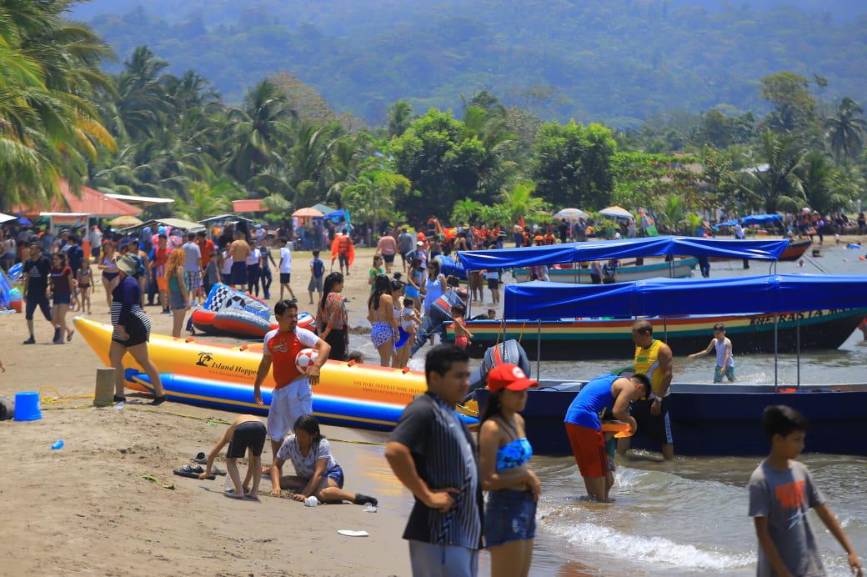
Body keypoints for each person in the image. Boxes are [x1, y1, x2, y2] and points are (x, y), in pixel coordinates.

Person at [384, 345, 482, 577]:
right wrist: (427, 495)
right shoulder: (423, 409)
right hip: (440, 532)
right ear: (435, 378)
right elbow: (395, 450)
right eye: (458, 376)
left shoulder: (451, 415)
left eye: (467, 376)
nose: (466, 383)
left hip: (464, 534)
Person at [749, 406, 863, 577]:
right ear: (778, 439)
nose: (802, 446)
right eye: (796, 440)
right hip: (778, 572)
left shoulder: (801, 472)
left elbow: (825, 513)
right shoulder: (761, 480)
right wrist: (782, 572)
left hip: (810, 568)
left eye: (803, 439)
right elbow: (762, 534)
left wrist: (850, 551)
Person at [478, 364, 541, 577]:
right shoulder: (491, 428)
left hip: (526, 505)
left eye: (525, 389)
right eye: (516, 391)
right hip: (505, 507)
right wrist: (525, 476)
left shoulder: (518, 420)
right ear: (499, 394)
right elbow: (486, 480)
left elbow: (519, 463)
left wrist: (528, 478)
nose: (523, 395)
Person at [253, 299, 331, 463]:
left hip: (299, 388)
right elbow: (266, 362)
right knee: (275, 431)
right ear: (278, 317)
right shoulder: (270, 337)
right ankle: (276, 466)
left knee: (304, 431)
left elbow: (325, 347)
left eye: (296, 316)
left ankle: (312, 466)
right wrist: (257, 385)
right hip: (279, 390)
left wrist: (316, 366)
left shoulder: (301, 334)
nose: (294, 320)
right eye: (290, 316)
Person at [565, 373, 650, 501]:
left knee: (588, 466)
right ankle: (601, 504)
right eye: (639, 397)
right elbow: (618, 411)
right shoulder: (628, 385)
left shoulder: (608, 379)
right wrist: (632, 421)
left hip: (571, 418)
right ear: (640, 387)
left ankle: (594, 500)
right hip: (586, 419)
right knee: (597, 468)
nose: (635, 400)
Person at [271, 415, 378, 506]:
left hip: (330, 475)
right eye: (297, 435)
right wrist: (276, 487)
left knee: (321, 494)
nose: (299, 439)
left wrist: (305, 494)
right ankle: (328, 494)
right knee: (282, 482)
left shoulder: (322, 444)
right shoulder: (290, 442)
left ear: (314, 435)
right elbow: (276, 465)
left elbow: (319, 473)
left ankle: (355, 498)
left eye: (303, 436)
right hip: (307, 478)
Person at [109, 255, 165, 405]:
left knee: (143, 360)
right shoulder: (124, 280)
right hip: (123, 325)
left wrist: (121, 326)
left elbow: (127, 305)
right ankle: (119, 394)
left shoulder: (129, 282)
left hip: (131, 324)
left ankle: (160, 394)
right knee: (114, 358)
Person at [619, 320, 675, 460]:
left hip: (656, 400)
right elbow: (638, 371)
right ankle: (619, 461)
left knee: (665, 437)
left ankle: (670, 466)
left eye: (636, 336)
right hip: (638, 399)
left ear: (647, 334)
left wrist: (658, 400)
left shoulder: (662, 349)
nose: (633, 339)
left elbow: (668, 375)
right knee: (626, 429)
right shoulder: (638, 348)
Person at [198, 415, 266, 499]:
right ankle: (254, 492)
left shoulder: (228, 433)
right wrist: (245, 484)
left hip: (243, 426)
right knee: (257, 459)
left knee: (230, 461)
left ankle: (239, 491)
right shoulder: (239, 424)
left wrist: (207, 473)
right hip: (261, 426)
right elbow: (251, 466)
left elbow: (212, 454)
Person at [22, 243, 54, 345]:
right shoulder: (28, 262)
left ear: (38, 250)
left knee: (48, 315)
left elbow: (50, 275)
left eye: (32, 249)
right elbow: (27, 278)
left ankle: (59, 329)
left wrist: (49, 287)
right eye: (30, 248)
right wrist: (24, 291)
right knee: (28, 315)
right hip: (31, 292)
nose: (30, 250)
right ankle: (31, 337)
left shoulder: (45, 261)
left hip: (42, 292)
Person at [317, 272, 349, 361]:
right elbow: (333, 318)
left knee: (326, 359)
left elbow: (318, 317)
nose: (343, 286)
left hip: (323, 330)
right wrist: (325, 334)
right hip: (336, 334)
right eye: (342, 283)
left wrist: (320, 334)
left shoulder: (322, 297)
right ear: (336, 284)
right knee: (338, 360)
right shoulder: (338, 298)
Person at [368, 274, 397, 366]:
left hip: (375, 329)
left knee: (385, 359)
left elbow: (370, 317)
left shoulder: (371, 298)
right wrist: (396, 331)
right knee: (386, 361)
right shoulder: (387, 297)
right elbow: (391, 318)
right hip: (385, 329)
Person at [49, 252, 75, 344]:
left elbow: (70, 283)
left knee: (61, 317)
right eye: (54, 259)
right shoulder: (53, 270)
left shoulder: (67, 269)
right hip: (56, 295)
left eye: (56, 259)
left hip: (65, 295)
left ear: (61, 260)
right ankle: (69, 330)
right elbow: (51, 282)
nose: (54, 261)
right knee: (55, 318)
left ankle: (61, 339)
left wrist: (73, 296)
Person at [165, 249, 190, 338]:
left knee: (176, 326)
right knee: (179, 326)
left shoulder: (170, 270)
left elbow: (168, 287)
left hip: (173, 296)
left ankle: (174, 342)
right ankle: (176, 344)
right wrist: (187, 300)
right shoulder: (179, 268)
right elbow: (182, 285)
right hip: (180, 297)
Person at [395, 296, 421, 369]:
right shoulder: (409, 310)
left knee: (404, 357)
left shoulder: (405, 308)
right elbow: (411, 318)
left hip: (405, 331)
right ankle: (400, 373)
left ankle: (402, 372)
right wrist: (419, 322)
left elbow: (408, 318)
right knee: (402, 357)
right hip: (404, 332)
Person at [181, 232, 202, 306]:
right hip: (194, 268)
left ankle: (186, 301)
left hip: (185, 268)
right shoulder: (196, 247)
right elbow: (199, 259)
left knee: (187, 286)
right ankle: (193, 300)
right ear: (194, 238)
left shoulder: (183, 246)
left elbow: (181, 257)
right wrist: (201, 269)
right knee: (194, 286)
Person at [97, 241, 119, 309]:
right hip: (105, 275)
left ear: (112, 247)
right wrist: (106, 267)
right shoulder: (103, 256)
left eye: (108, 247)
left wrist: (115, 260)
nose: (107, 249)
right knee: (108, 292)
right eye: (105, 247)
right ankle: (110, 307)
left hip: (115, 275)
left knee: (113, 291)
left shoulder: (116, 255)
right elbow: (99, 266)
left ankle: (116, 306)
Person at [196, 230, 217, 296]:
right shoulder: (197, 244)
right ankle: (208, 295)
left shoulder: (210, 243)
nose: (198, 239)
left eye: (198, 237)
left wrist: (209, 265)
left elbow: (213, 254)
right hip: (202, 266)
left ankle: (213, 295)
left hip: (210, 265)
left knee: (212, 281)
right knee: (205, 282)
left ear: (202, 237)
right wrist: (201, 268)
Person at [152, 234, 169, 311]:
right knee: (162, 291)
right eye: (159, 240)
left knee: (168, 291)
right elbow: (154, 261)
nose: (160, 242)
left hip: (168, 273)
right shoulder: (156, 251)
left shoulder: (169, 250)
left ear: (166, 241)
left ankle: (168, 306)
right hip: (160, 273)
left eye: (162, 240)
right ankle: (164, 308)